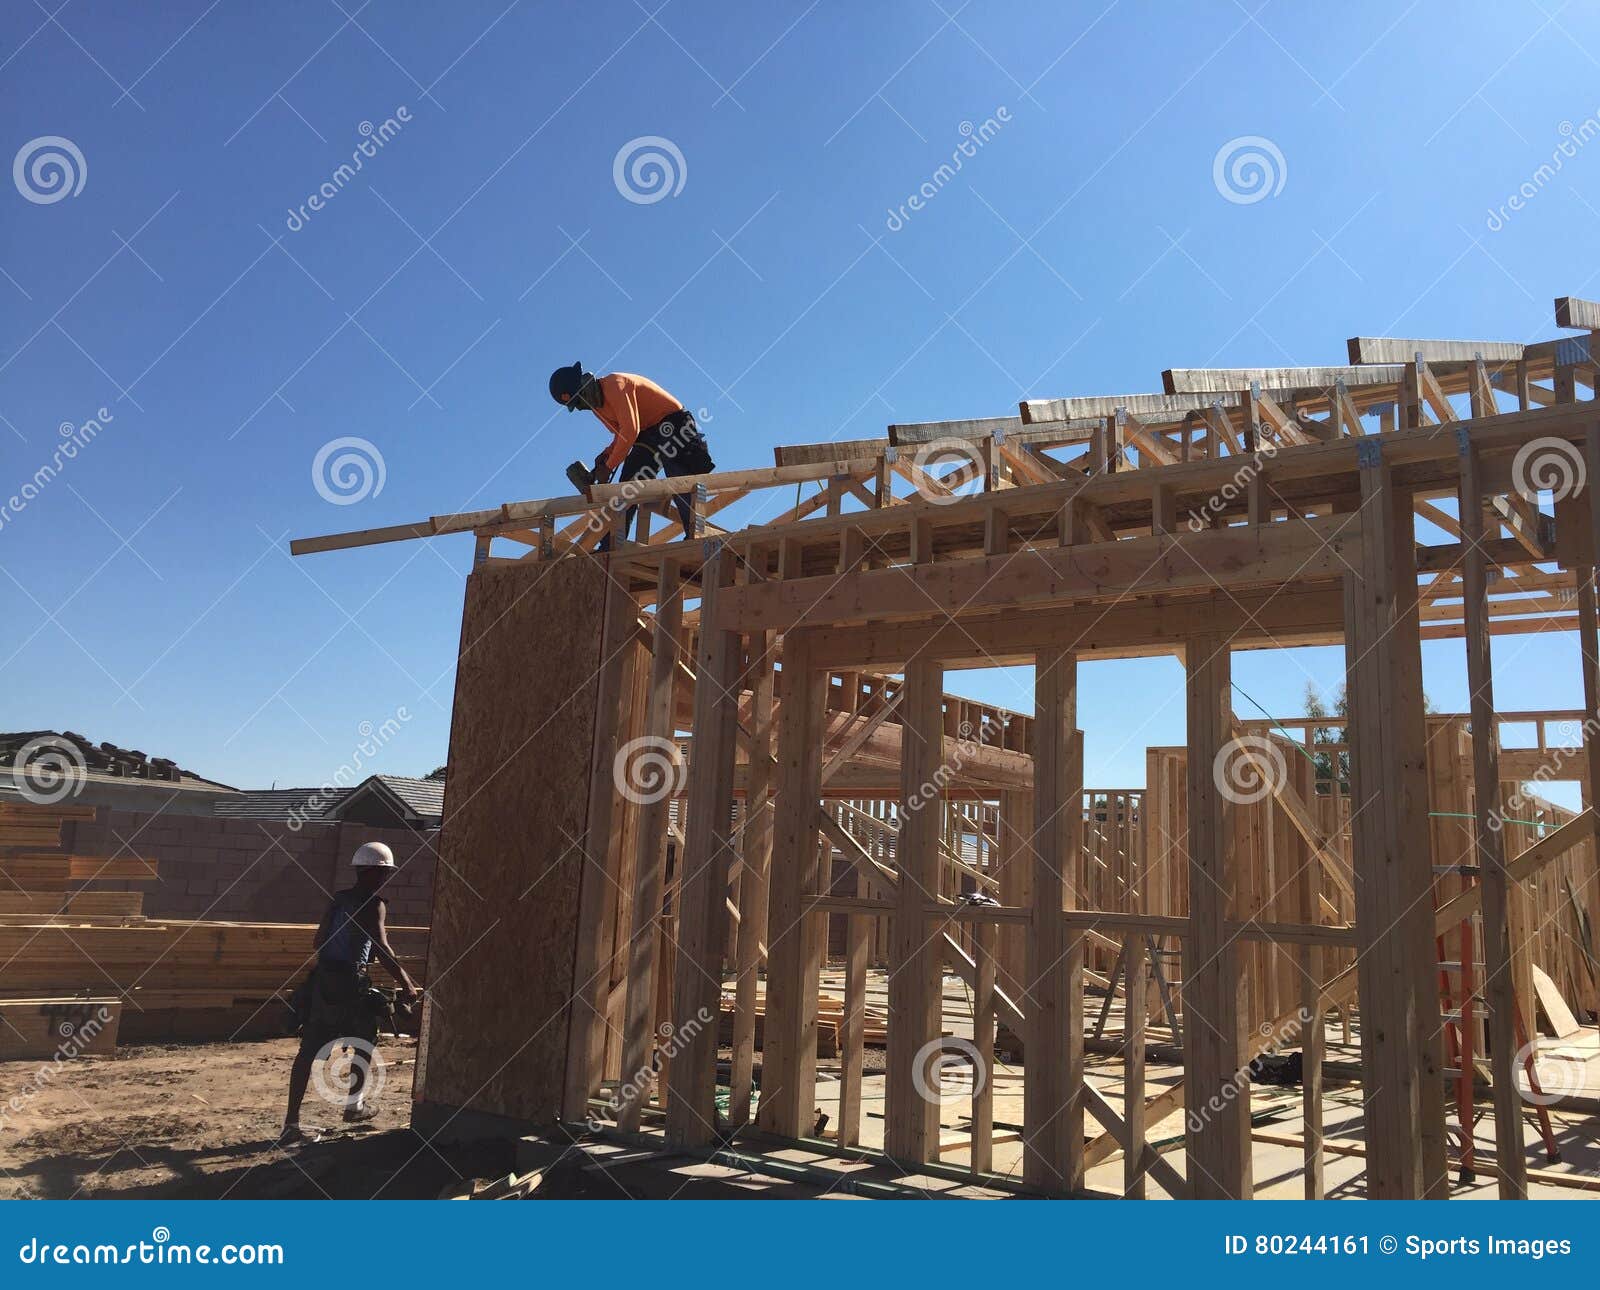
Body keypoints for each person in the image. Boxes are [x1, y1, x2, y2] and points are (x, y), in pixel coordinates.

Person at [279, 841, 419, 1144]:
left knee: (308, 1052)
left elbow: (318, 941)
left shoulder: (338, 899)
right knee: (365, 1038)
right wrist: (407, 983)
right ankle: (353, 1106)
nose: (385, 879)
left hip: (324, 982)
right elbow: (382, 948)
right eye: (383, 873)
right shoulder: (374, 903)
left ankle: (291, 1123)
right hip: (350, 983)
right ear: (373, 872)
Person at [548, 363, 714, 549]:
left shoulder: (615, 385)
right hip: (647, 434)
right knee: (628, 485)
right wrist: (605, 456)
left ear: (585, 385)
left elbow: (630, 431)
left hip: (674, 424)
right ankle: (611, 544)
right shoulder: (598, 409)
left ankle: (695, 536)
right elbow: (620, 435)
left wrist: (609, 467)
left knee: (678, 473)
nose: (579, 408)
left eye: (578, 401)